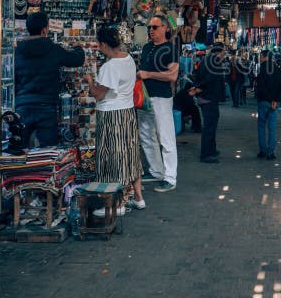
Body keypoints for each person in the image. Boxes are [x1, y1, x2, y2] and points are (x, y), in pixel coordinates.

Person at [85, 26, 144, 214]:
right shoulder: (128, 59)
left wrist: (90, 82)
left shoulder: (109, 67)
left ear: (103, 44)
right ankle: (138, 197)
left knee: (113, 158)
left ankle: (117, 204)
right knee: (130, 155)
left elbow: (99, 95)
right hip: (127, 112)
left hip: (112, 115)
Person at [15, 12, 85, 148]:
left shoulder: (17, 51)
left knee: (20, 151)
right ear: (44, 30)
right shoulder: (53, 49)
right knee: (49, 151)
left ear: (28, 28)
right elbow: (77, 59)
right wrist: (78, 47)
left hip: (22, 106)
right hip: (46, 107)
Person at [137, 15, 179, 193]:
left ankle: (170, 177)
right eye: (150, 28)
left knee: (166, 137)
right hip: (145, 98)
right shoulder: (147, 47)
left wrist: (148, 74)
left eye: (154, 27)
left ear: (165, 28)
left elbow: (172, 76)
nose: (151, 31)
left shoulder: (171, 49)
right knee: (146, 135)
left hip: (161, 98)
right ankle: (156, 171)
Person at [189, 43, 227, 163]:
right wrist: (199, 88)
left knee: (211, 125)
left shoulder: (207, 60)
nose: (224, 55)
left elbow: (197, 75)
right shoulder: (213, 62)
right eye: (224, 52)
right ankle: (206, 154)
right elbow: (210, 79)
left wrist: (198, 87)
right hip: (209, 97)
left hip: (207, 97)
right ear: (220, 52)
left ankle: (211, 150)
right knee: (209, 127)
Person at [255, 49, 281, 160]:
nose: (259, 58)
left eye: (260, 56)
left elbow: (261, 87)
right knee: (272, 128)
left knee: (262, 126)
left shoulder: (262, 69)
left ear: (264, 57)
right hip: (273, 103)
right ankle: (271, 152)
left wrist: (269, 100)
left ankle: (263, 150)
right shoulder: (277, 70)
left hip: (264, 101)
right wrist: (275, 100)